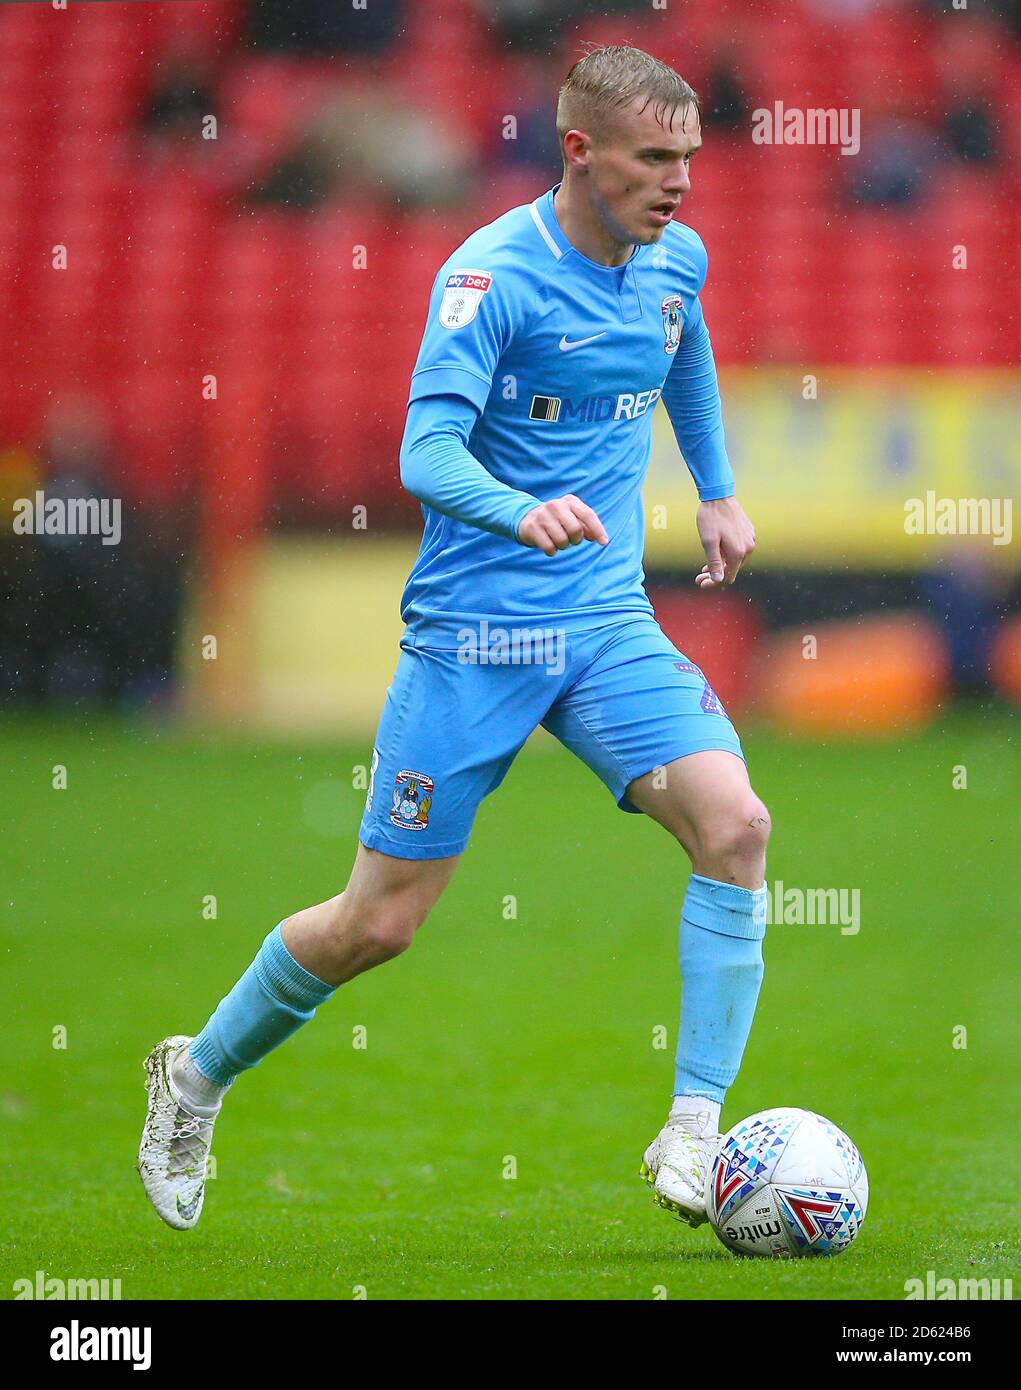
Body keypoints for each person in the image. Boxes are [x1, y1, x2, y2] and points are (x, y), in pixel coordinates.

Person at [138, 44, 769, 1234]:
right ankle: (197, 1073)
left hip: (603, 619)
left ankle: (694, 1132)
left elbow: (683, 353)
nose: (679, 183)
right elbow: (423, 453)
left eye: (687, 158)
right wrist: (513, 504)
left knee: (735, 826)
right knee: (377, 922)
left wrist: (719, 487)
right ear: (578, 150)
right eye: (653, 159)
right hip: (475, 633)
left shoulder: (675, 256)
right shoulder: (491, 277)